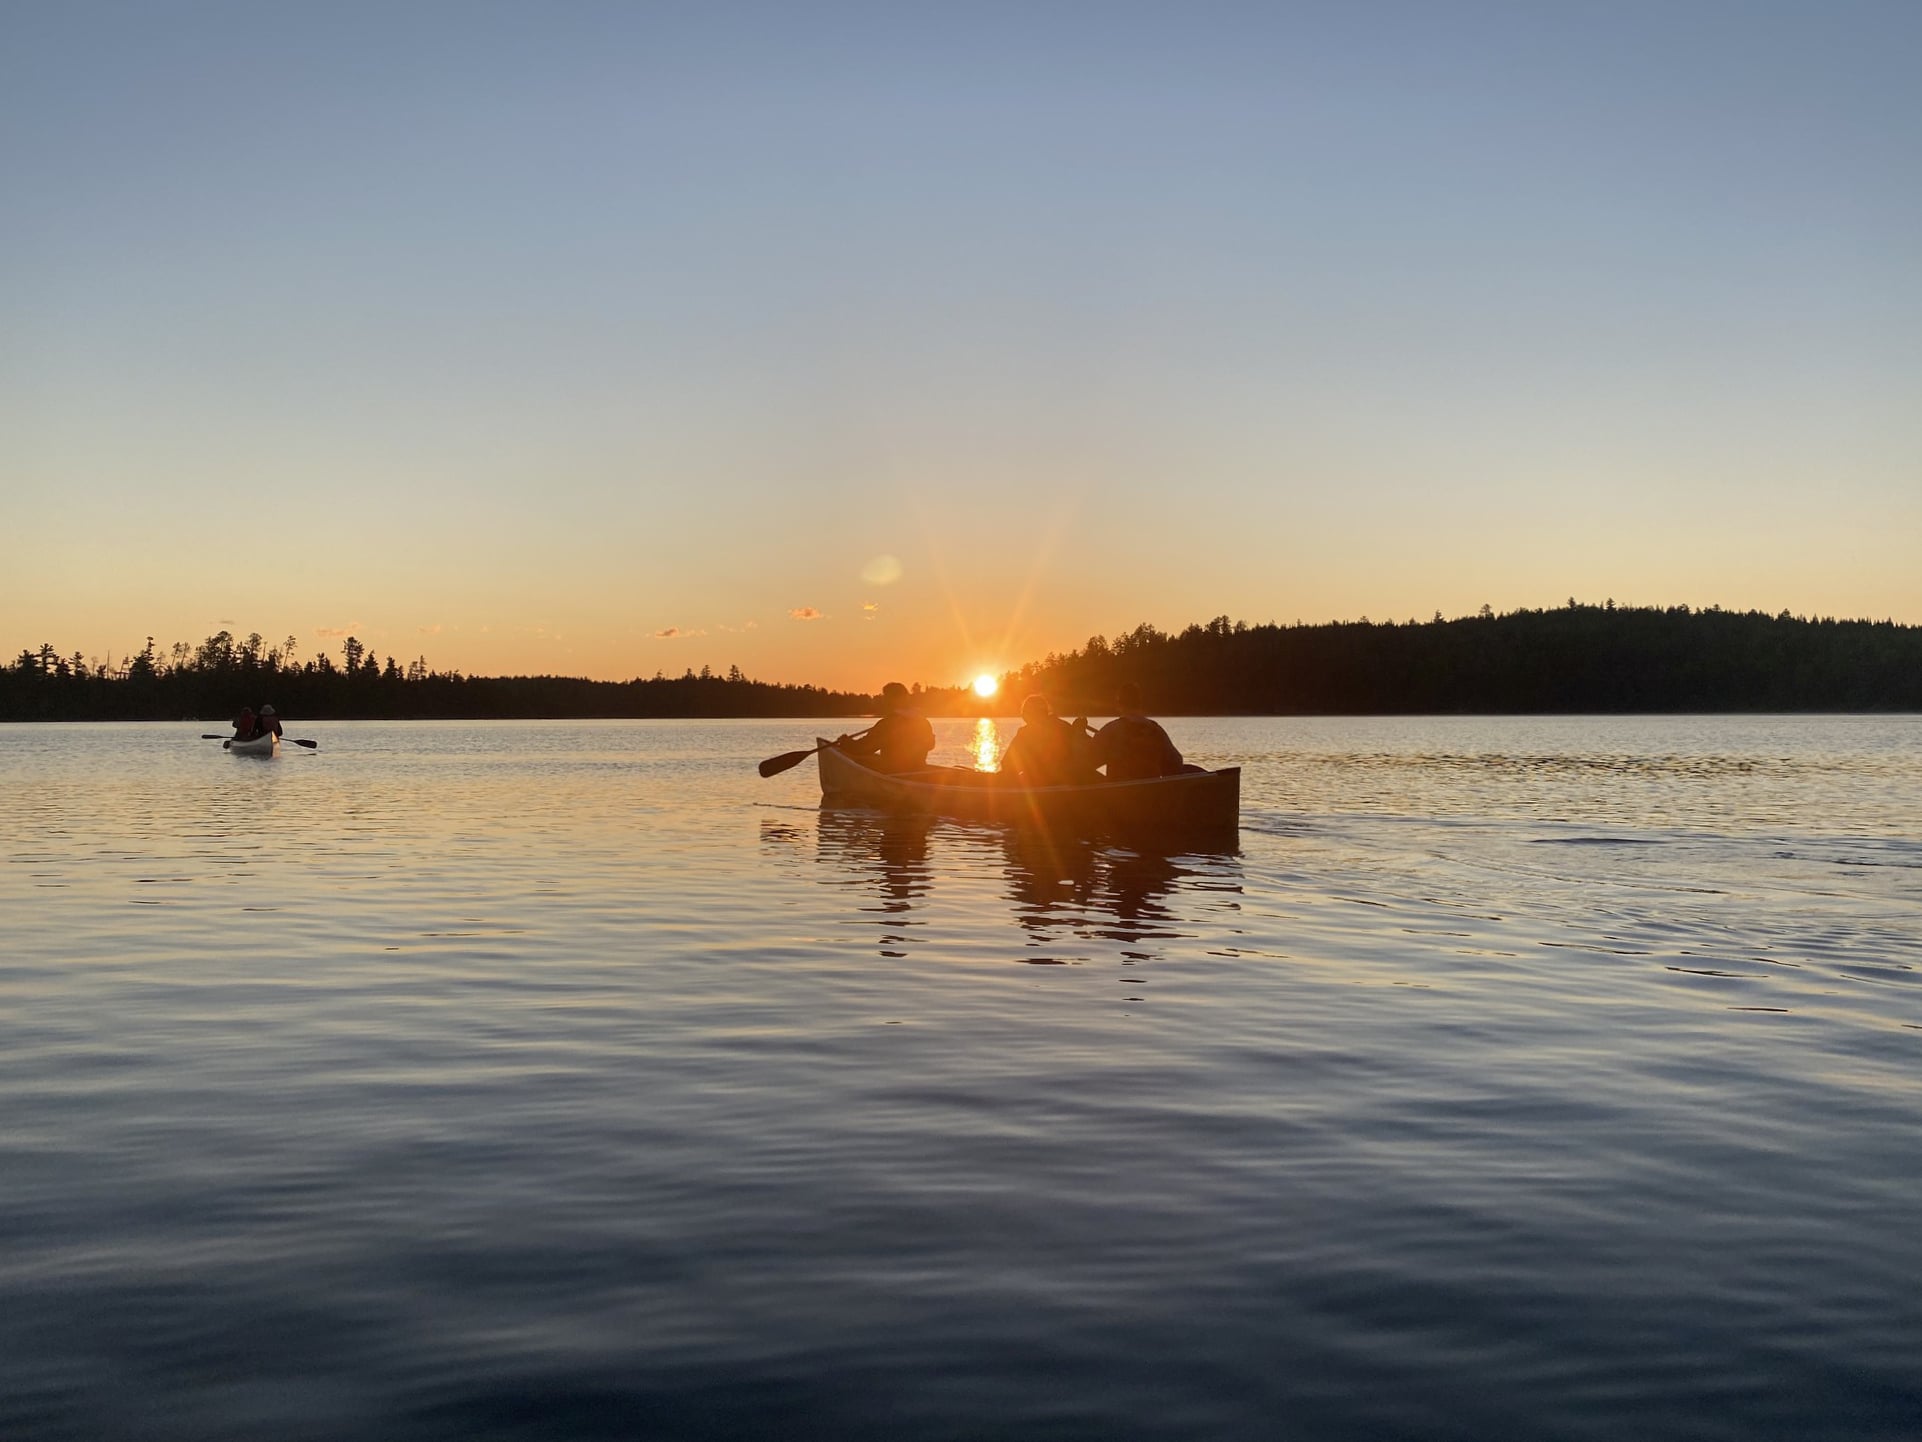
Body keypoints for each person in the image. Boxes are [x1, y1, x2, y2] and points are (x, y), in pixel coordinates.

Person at [1089, 682, 1184, 781]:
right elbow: (1176, 762)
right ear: (1139, 703)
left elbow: (1089, 761)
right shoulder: (1156, 729)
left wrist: (1079, 736)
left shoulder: (1111, 729)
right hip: (1152, 791)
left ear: (1119, 703)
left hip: (1119, 792)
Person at [998, 694, 1097, 788]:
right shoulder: (1063, 726)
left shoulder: (1025, 733)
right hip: (1063, 781)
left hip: (1047, 782)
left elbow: (1006, 764)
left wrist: (1079, 731)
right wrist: (1079, 730)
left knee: (1006, 777)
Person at [836, 681, 936, 774]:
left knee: (865, 760)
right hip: (918, 771)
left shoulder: (888, 724)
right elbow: (931, 745)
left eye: (886, 697)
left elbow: (864, 748)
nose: (884, 701)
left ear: (894, 700)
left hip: (893, 773)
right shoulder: (923, 721)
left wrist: (846, 743)